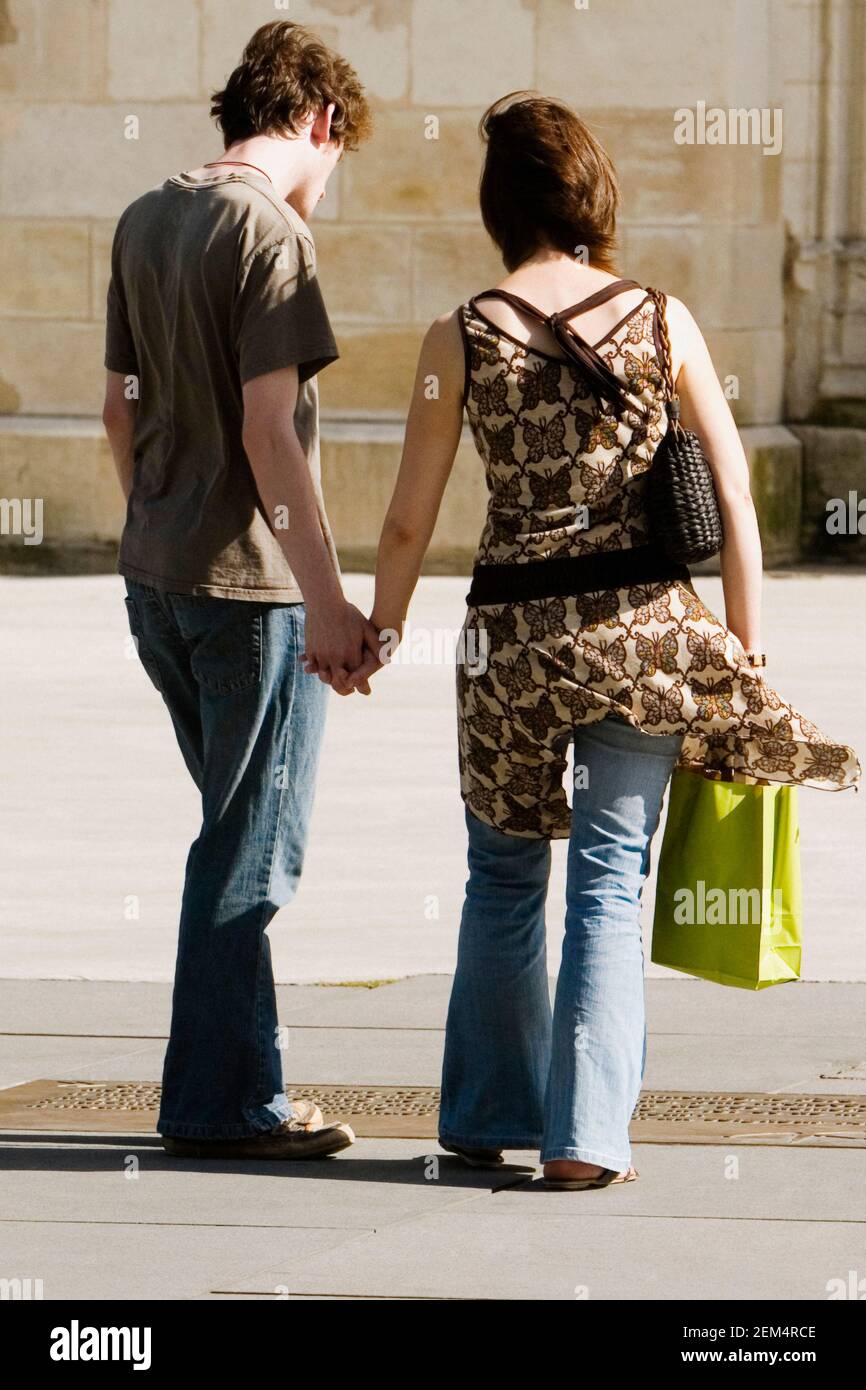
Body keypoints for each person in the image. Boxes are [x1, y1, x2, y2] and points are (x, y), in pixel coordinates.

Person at [327, 91, 860, 1189]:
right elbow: (732, 493)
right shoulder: (664, 319)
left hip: (508, 646)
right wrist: (744, 647)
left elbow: (406, 517)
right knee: (609, 878)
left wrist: (379, 631)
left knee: (499, 874)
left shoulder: (457, 335)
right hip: (641, 635)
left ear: (495, 205)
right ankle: (583, 1140)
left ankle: (482, 1114)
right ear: (591, 195)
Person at [101, 21, 378, 1159]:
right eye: (338, 156)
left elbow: (118, 411)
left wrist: (151, 517)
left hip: (156, 579)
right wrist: (328, 600)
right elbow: (274, 435)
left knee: (232, 838)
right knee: (251, 852)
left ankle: (246, 1086)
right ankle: (217, 1105)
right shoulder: (271, 234)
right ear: (320, 122)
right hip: (246, 594)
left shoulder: (145, 217)